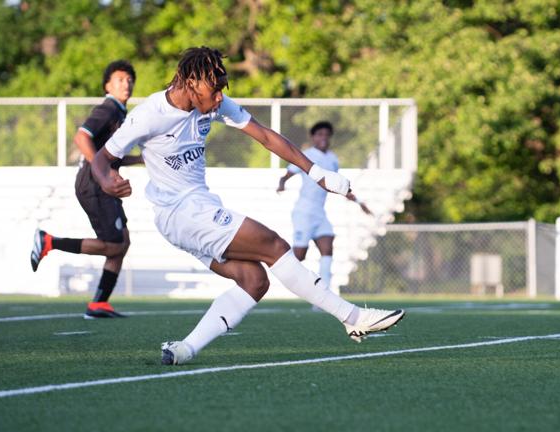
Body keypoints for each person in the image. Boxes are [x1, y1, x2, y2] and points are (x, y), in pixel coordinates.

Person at [90, 47, 405, 365]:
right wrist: (107, 182)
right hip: (181, 212)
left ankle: (184, 349)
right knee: (274, 244)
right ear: (190, 81)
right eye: (213, 91)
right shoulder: (149, 114)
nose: (218, 99)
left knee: (255, 281)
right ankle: (351, 317)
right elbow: (101, 158)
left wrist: (317, 172)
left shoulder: (213, 104)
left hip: (193, 210)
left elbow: (266, 136)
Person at [30, 60, 142, 318]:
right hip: (94, 182)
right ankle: (49, 242)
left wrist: (141, 159)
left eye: (129, 79)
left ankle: (99, 304)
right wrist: (102, 172)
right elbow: (82, 138)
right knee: (114, 246)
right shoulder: (108, 108)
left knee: (122, 242)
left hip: (100, 181)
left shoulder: (121, 113)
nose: (126, 84)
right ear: (107, 85)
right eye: (120, 79)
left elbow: (111, 154)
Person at [276, 121, 371, 297]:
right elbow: (287, 175)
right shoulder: (306, 155)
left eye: (327, 135)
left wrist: (359, 202)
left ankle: (324, 294)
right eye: (319, 134)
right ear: (313, 137)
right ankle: (278, 275)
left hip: (320, 214)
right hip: (304, 212)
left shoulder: (333, 159)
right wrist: (281, 184)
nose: (323, 138)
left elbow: (338, 186)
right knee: (299, 255)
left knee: (327, 249)